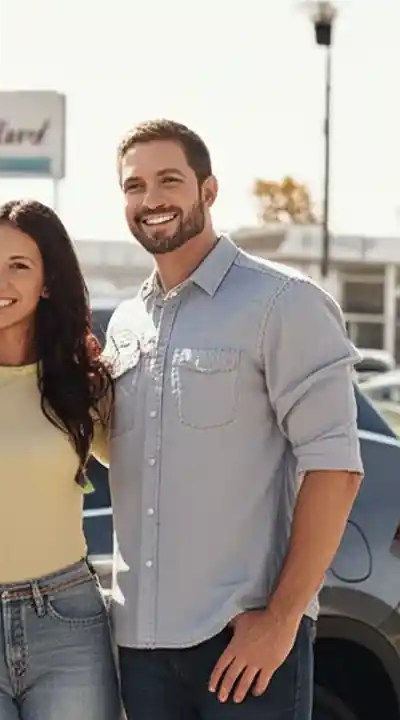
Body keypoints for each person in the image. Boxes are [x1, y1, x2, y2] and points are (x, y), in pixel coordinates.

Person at [105, 118, 364, 719]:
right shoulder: (125, 324)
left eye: (169, 180)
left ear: (208, 191)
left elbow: (336, 467)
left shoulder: (282, 303)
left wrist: (280, 620)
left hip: (243, 642)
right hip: (141, 648)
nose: (152, 200)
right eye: (134, 186)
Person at [0, 198, 122, 719]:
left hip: (66, 621)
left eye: (19, 266)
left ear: (48, 282)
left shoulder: (84, 386)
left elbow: (155, 471)